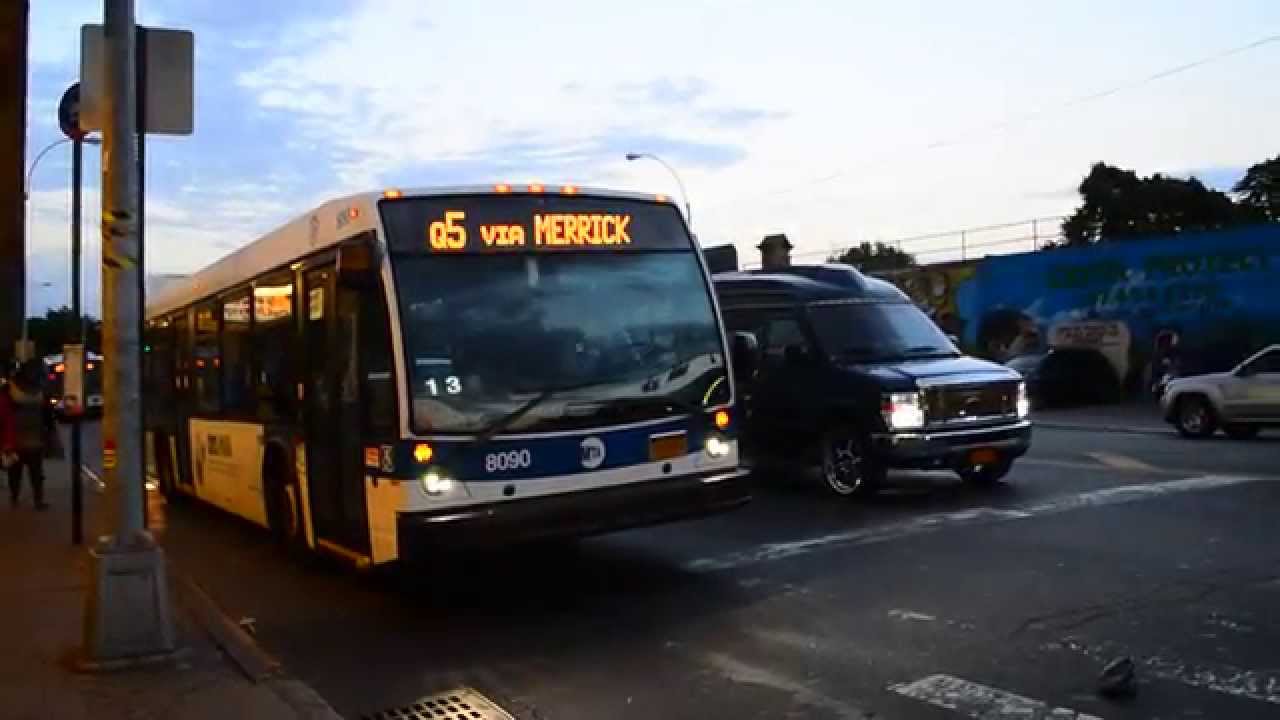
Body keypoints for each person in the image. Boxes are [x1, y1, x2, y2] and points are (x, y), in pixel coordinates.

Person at [0, 359, 58, 510]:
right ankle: (38, 500)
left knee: (15, 471)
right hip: (34, 436)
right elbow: (48, 414)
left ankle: (15, 497)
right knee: (36, 472)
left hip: (14, 437)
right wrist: (50, 431)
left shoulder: (8, 389)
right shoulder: (41, 390)